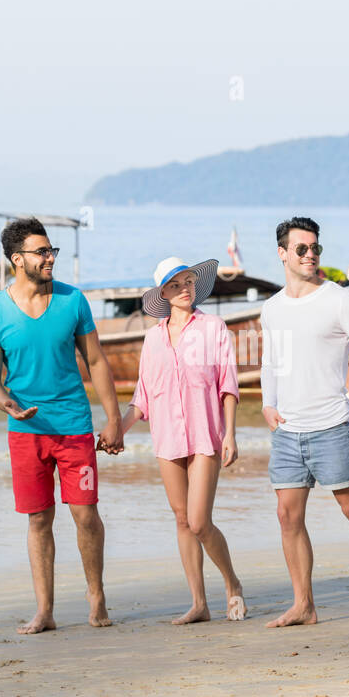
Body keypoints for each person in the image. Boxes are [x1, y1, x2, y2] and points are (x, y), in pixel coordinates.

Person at [0, 217, 125, 634]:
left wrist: (113, 420)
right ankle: (45, 610)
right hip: (25, 433)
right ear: (15, 259)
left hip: (74, 428)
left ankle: (96, 598)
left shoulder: (73, 301)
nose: (49, 258)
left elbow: (96, 361)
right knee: (38, 519)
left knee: (85, 514)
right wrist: (7, 404)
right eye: (41, 252)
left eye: (51, 251)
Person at [259, 216, 349, 627]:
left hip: (331, 425)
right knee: (287, 515)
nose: (310, 255)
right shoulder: (272, 308)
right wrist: (268, 402)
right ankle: (304, 604)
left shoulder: (337, 299)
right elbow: (271, 360)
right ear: (282, 253)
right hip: (287, 430)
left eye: (315, 248)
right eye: (301, 248)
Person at [121, 257, 247, 624]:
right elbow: (142, 396)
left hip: (207, 436)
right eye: (176, 285)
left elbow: (228, 383)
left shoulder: (213, 328)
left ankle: (233, 585)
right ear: (163, 294)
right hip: (167, 438)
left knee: (198, 521)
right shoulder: (152, 338)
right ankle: (199, 603)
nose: (185, 289)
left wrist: (231, 434)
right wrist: (117, 430)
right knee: (180, 519)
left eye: (189, 281)